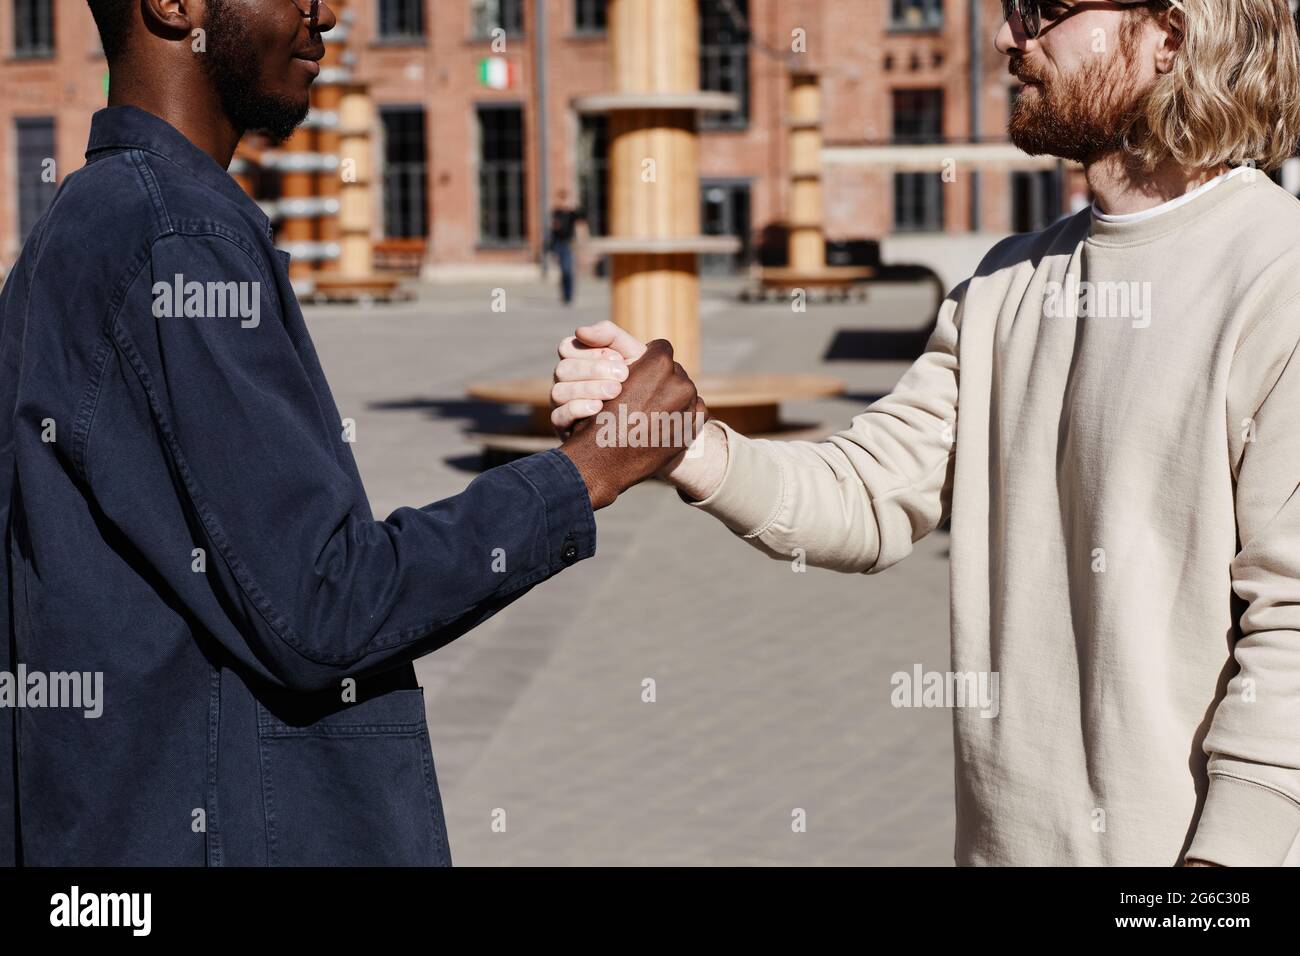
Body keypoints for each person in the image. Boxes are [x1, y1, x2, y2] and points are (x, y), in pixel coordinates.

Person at [553, 0, 1300, 866]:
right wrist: (681, 441)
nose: (1007, 38)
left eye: (1043, 11)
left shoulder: (1276, 280)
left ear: (1169, 35)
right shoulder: (1003, 285)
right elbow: (867, 495)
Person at [0, 0, 702, 866]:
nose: (326, 11)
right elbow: (323, 601)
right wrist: (588, 471)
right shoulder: (178, 237)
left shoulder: (86, 222)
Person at [547, 191, 584, 305]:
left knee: (568, 270)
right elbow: (553, 231)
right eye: (561, 199)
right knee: (563, 271)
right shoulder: (556, 213)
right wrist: (552, 249)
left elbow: (583, 216)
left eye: (565, 199)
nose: (563, 202)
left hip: (569, 244)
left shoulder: (572, 213)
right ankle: (564, 295)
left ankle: (569, 295)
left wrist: (575, 204)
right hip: (559, 244)